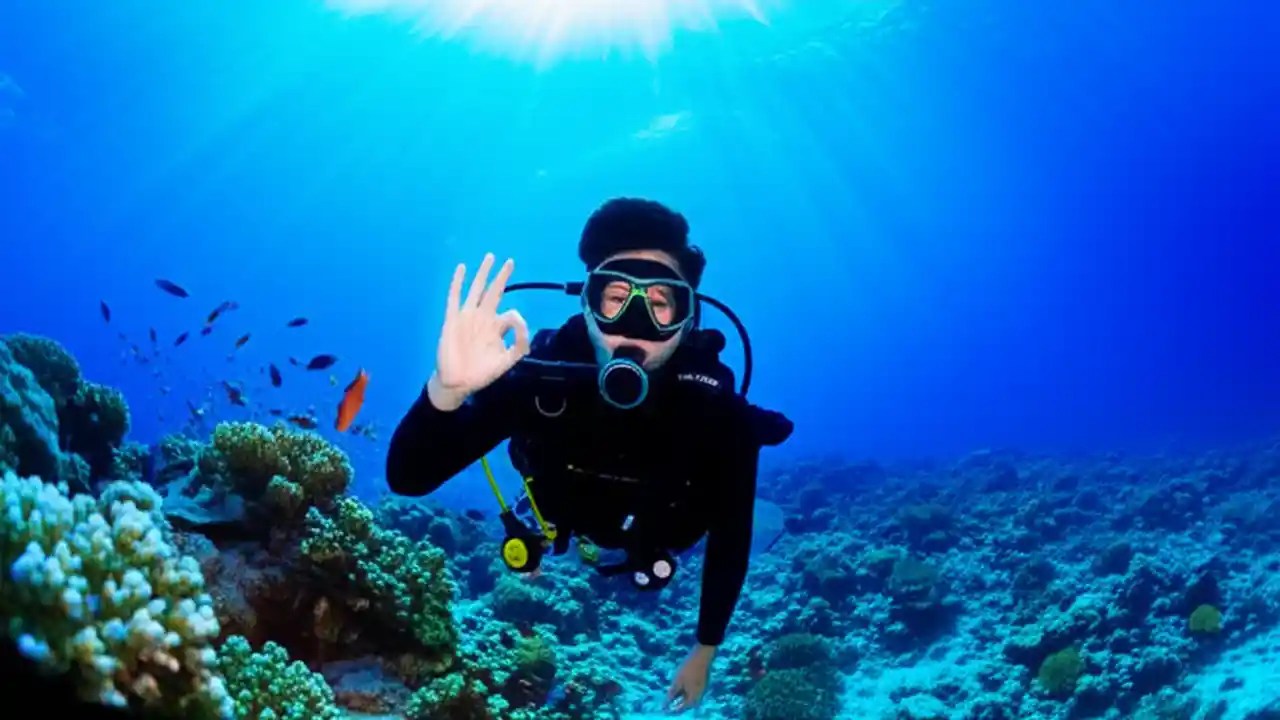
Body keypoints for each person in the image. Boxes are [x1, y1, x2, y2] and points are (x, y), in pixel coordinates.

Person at [386, 197, 793, 712]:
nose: (636, 323)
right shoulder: (541, 379)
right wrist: (445, 392)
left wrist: (704, 650)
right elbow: (408, 477)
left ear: (687, 317)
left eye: (661, 302)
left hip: (659, 533)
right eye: (616, 296)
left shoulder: (716, 413)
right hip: (564, 515)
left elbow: (731, 538)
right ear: (587, 303)